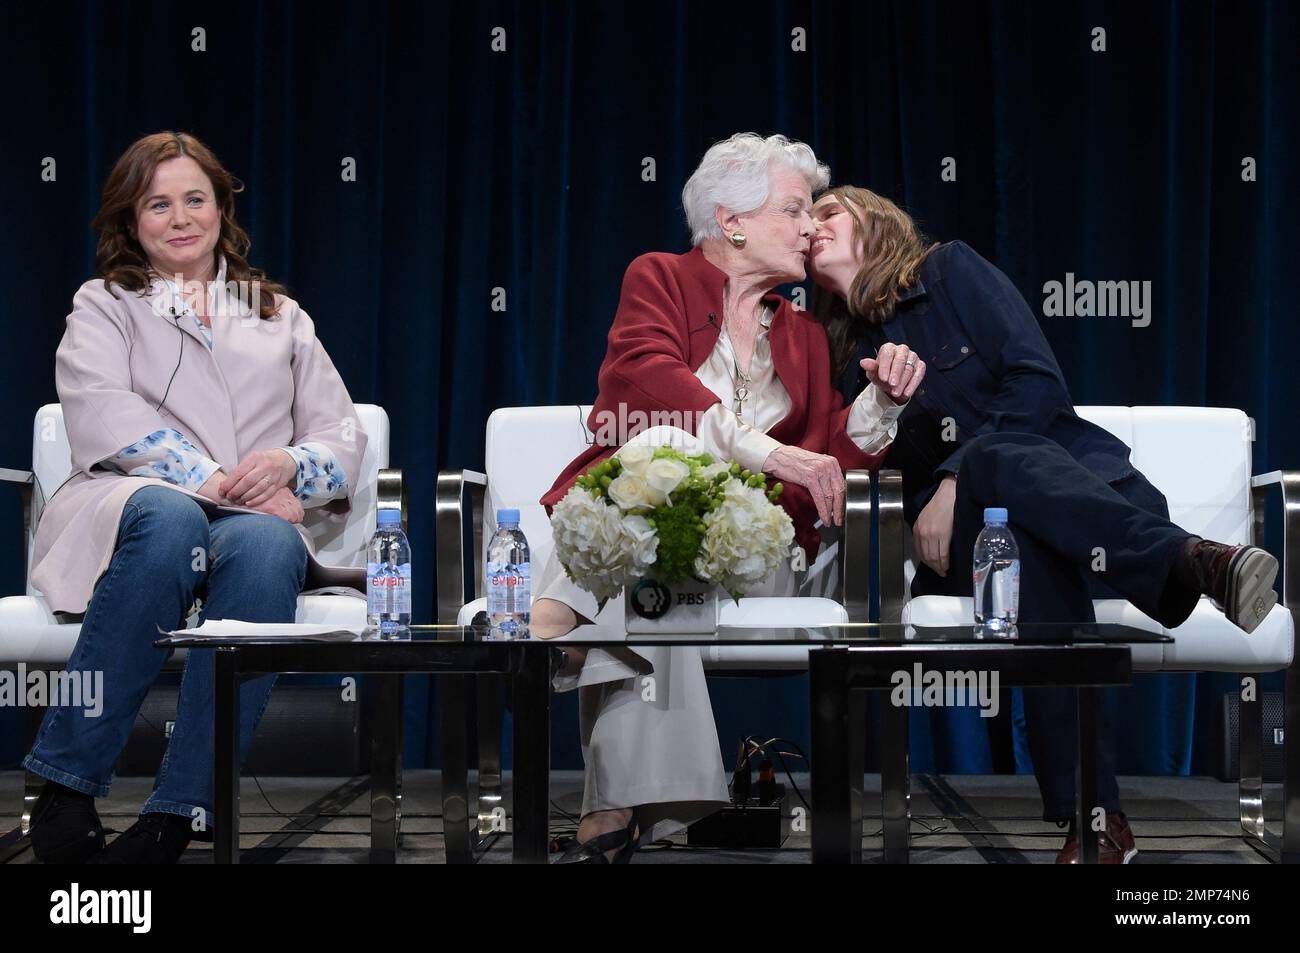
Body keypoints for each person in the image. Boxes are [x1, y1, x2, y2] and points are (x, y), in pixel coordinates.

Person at [809, 184, 1279, 863]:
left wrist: (952, 472)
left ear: (876, 221)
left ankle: (1095, 821)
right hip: (967, 540)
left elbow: (1036, 381)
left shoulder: (948, 270)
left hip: (1091, 501)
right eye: (806, 216)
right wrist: (949, 482)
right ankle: (1196, 562)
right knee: (1005, 501)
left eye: (830, 211)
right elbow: (845, 458)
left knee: (1025, 533)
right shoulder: (835, 350)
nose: (814, 225)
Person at [529, 134, 925, 863]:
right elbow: (644, 381)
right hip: (663, 541)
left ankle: (557, 627)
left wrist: (880, 406)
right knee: (659, 461)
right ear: (731, 220)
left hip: (761, 551)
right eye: (795, 210)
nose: (811, 227)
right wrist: (765, 449)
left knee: (649, 515)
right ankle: (613, 813)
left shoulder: (804, 334)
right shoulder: (659, 278)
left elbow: (827, 472)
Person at [23, 131, 367, 864]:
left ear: (220, 209)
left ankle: (179, 811)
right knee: (174, 515)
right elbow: (103, 412)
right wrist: (216, 482)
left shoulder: (279, 314)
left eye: (194, 200)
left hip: (256, 523)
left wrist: (286, 464)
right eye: (157, 204)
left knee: (268, 543)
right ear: (131, 218)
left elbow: (342, 440)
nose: (179, 218)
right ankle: (65, 780)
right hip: (133, 505)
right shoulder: (106, 304)